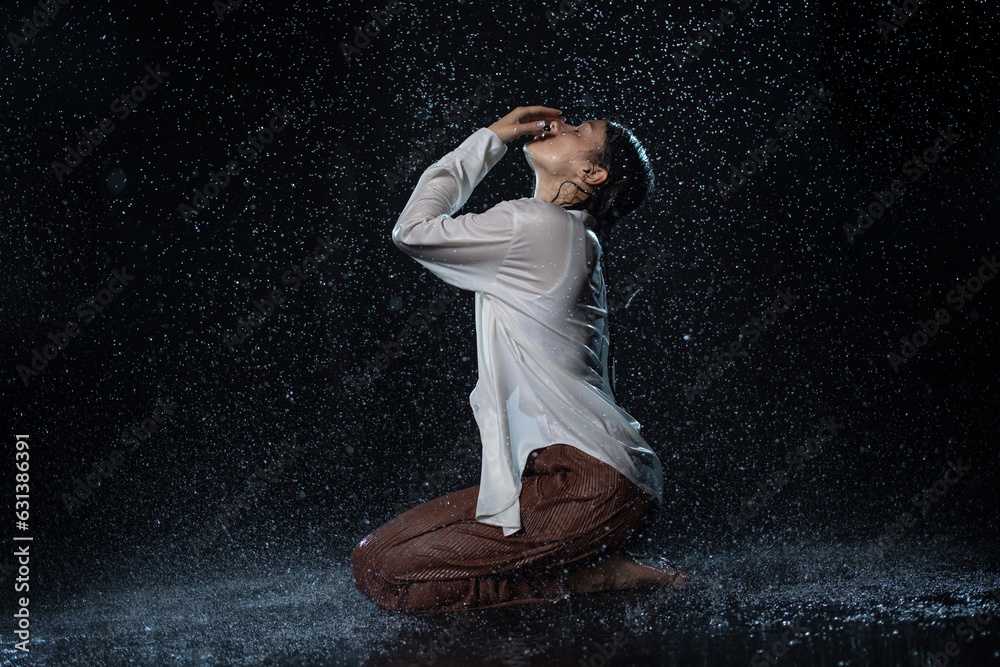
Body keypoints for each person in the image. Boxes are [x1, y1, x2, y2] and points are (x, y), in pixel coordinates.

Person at [351, 105, 689, 613]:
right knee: (378, 563)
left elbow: (413, 230)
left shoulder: (539, 225)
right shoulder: (572, 236)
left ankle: (589, 579)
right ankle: (583, 571)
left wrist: (490, 138)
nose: (565, 125)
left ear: (591, 173)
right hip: (585, 480)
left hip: (587, 484)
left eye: (581, 130)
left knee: (386, 572)